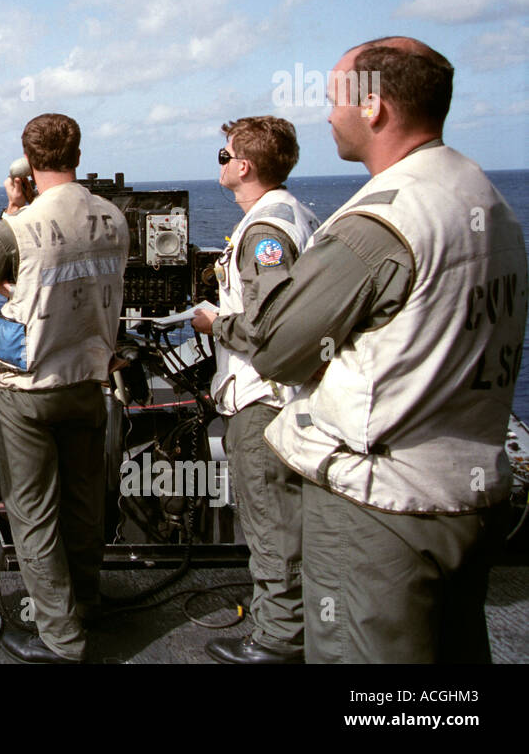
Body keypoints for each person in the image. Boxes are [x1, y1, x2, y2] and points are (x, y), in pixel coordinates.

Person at [241, 37, 526, 662]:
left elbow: (277, 348)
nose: (327, 114)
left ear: (372, 107)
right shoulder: (489, 202)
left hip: (381, 505)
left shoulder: (383, 219)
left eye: (333, 99)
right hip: (470, 495)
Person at [0, 113, 129, 663]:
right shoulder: (115, 219)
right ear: (77, 153)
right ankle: (86, 602)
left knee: (33, 512)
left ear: (29, 164)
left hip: (29, 384)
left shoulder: (22, 224)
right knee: (85, 502)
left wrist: (14, 207)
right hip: (90, 379)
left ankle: (61, 637)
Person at [192, 116, 318, 664]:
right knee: (286, 520)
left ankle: (277, 640)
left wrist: (212, 324)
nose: (220, 164)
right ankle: (290, 624)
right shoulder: (296, 214)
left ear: (243, 166)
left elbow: (271, 328)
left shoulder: (265, 232)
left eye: (224, 156)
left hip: (263, 400)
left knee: (269, 522)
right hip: (289, 399)